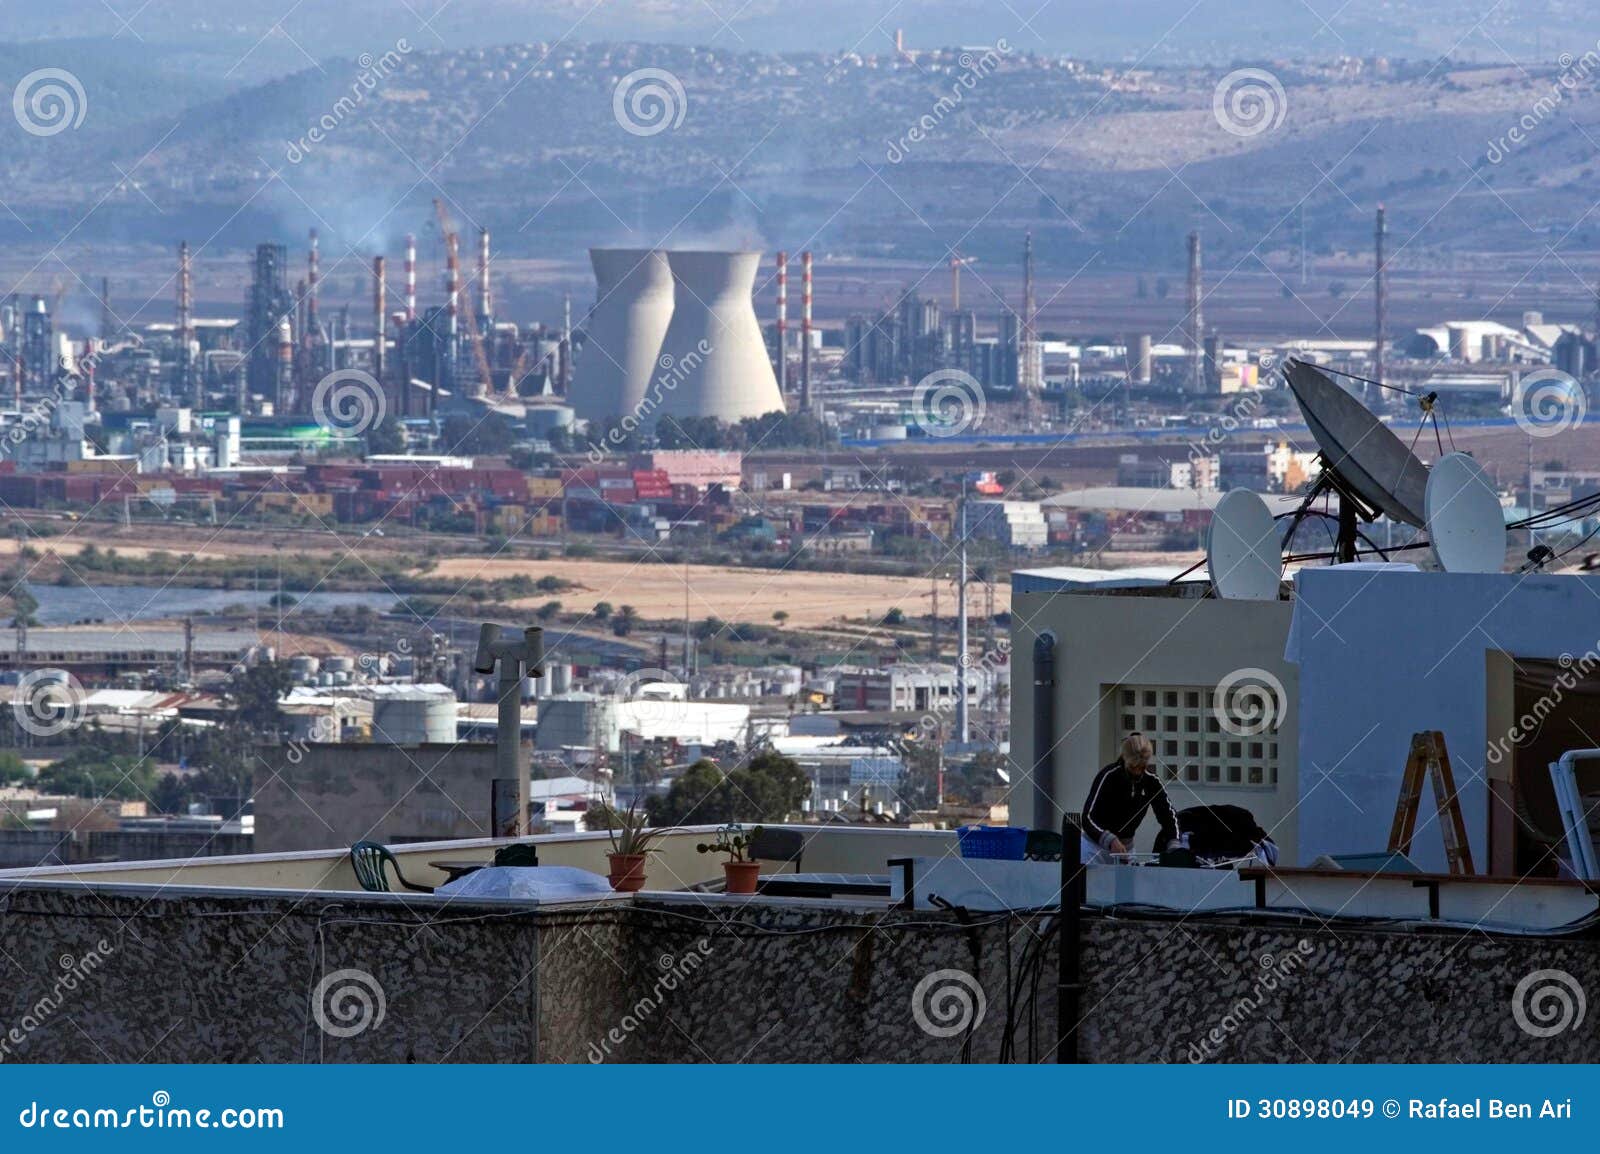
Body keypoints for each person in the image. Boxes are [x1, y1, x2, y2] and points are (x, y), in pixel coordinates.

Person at [1079, 733, 1182, 864]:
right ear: (1125, 758)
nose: (1138, 772)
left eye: (1142, 767)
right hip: (1095, 849)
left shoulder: (1151, 781)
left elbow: (1168, 815)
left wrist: (1174, 843)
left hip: (1125, 850)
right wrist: (1109, 839)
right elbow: (1087, 817)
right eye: (1133, 767)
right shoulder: (1109, 776)